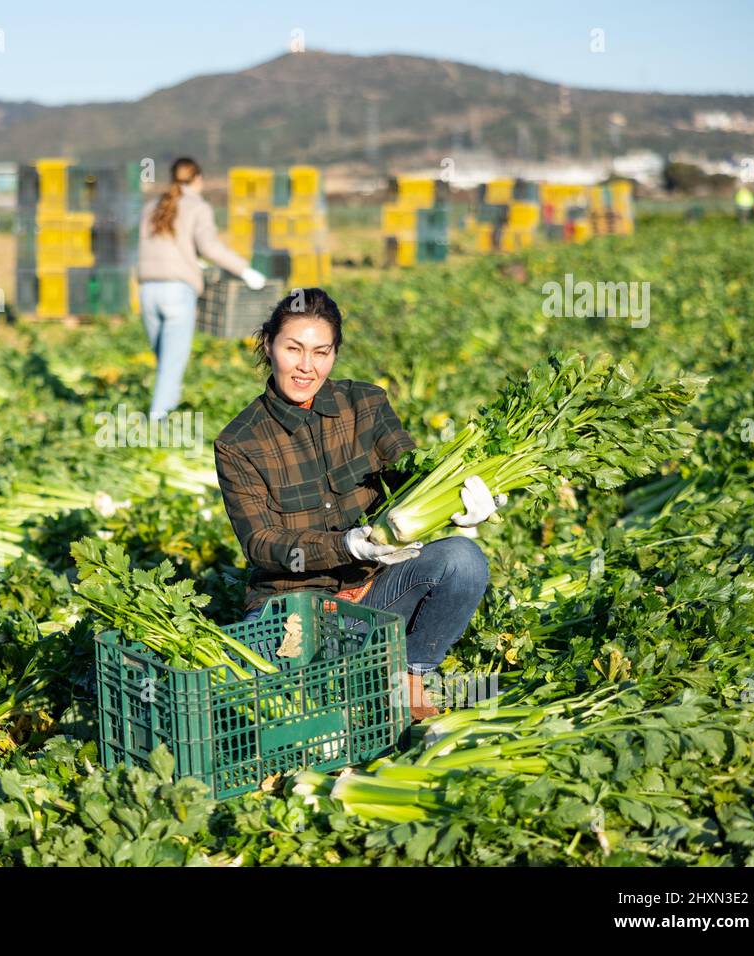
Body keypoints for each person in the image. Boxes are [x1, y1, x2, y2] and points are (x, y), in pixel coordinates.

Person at [213, 289, 503, 723]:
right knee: (275, 673)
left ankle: (410, 672)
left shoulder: (366, 404)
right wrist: (347, 545)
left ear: (335, 354)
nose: (306, 366)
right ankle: (363, 674)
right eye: (293, 348)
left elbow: (412, 472)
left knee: (462, 560)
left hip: (378, 595)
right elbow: (261, 544)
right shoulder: (239, 442)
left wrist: (467, 498)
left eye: (321, 352)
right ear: (268, 344)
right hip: (296, 609)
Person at [137, 157, 267, 422]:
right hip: (177, 292)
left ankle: (166, 409)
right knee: (172, 365)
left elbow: (152, 246)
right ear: (197, 179)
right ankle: (157, 423)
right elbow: (209, 247)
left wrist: (189, 258)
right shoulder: (197, 206)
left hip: (148, 290)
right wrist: (245, 270)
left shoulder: (152, 205)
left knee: (165, 362)